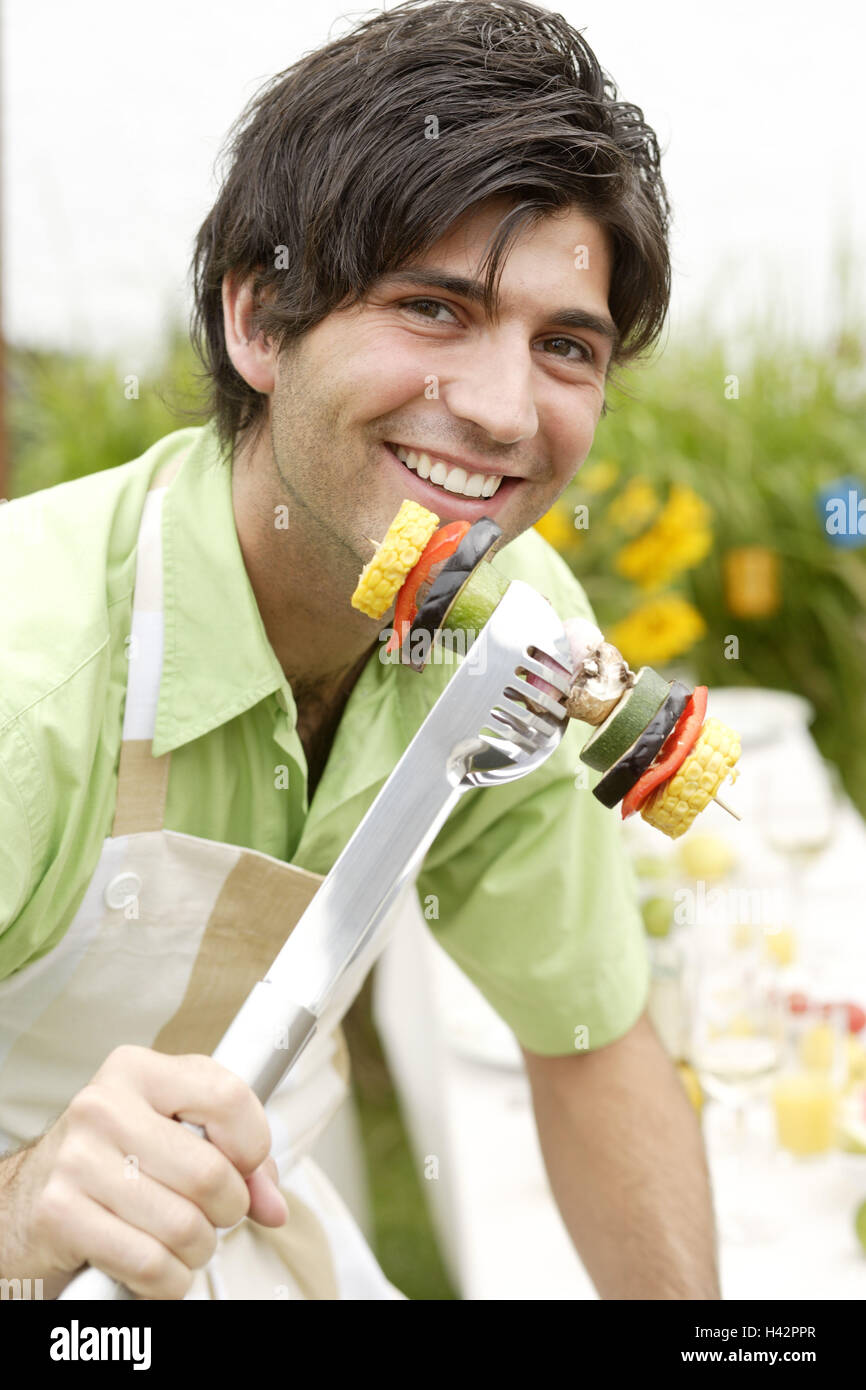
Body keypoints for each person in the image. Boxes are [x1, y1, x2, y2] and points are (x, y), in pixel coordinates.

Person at [0, 0, 719, 1300]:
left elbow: (587, 1038)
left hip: (255, 1220)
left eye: (564, 346)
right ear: (261, 323)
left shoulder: (509, 634)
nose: (503, 412)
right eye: (435, 309)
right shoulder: (25, 676)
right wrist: (28, 1209)